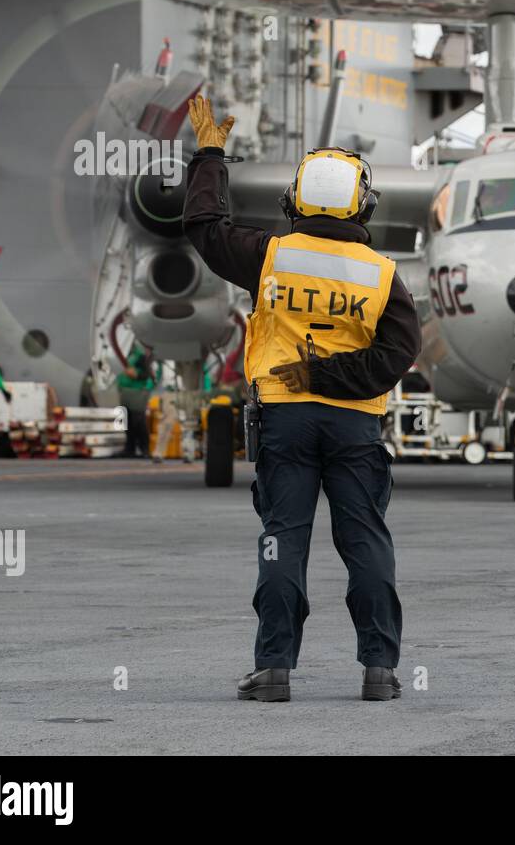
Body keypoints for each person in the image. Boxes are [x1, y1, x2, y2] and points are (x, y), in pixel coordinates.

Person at [182, 95, 421, 704]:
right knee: (365, 539)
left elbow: (204, 229)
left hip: (284, 421)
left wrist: (210, 154)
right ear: (361, 203)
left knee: (282, 539)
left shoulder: (269, 258)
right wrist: (331, 375)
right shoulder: (383, 274)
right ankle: (380, 671)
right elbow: (395, 360)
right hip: (355, 427)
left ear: (295, 199)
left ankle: (273, 670)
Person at [116, 342, 156, 458]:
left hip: (137, 392)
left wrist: (136, 374)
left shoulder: (140, 356)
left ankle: (145, 449)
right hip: (124, 391)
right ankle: (129, 448)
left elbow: (146, 373)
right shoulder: (126, 355)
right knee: (124, 421)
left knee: (138, 421)